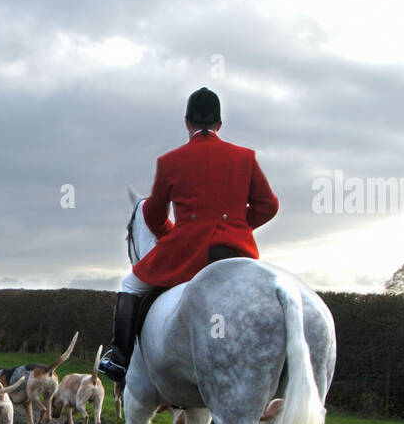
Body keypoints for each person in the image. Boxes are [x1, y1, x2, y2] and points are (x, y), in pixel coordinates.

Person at [98, 88, 279, 382]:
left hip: (187, 252)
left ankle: (119, 358)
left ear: (187, 122)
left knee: (130, 284)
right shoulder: (245, 157)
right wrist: (236, 226)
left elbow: (153, 215)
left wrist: (173, 234)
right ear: (219, 123)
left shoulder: (170, 161)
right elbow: (269, 206)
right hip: (235, 253)